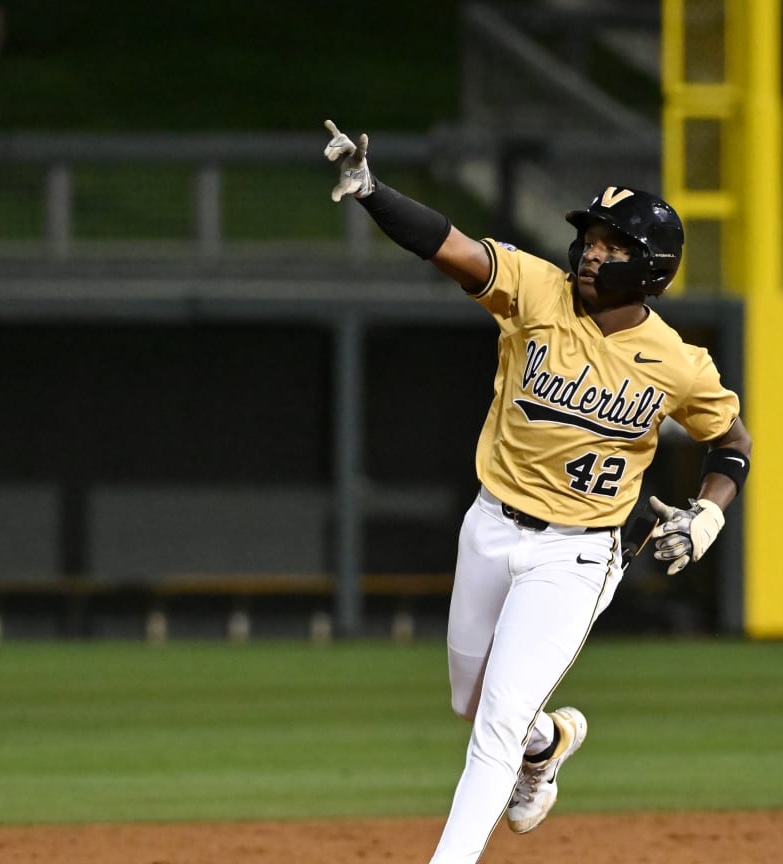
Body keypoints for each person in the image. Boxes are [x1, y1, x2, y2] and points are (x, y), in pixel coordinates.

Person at [323, 120, 753, 864]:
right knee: (472, 700)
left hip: (576, 557)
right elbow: (448, 244)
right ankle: (549, 743)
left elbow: (733, 443)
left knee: (493, 723)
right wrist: (371, 191)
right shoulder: (535, 291)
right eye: (589, 238)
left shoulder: (679, 365)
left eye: (613, 246)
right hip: (490, 525)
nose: (591, 252)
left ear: (650, 267)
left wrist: (711, 511)